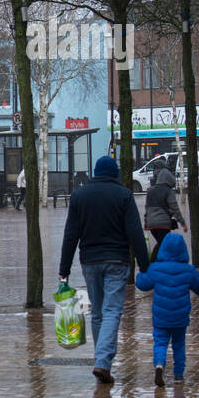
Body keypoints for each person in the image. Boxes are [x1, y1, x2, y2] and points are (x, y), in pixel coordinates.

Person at [58, 156, 152, 385]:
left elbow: (71, 233)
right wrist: (145, 265)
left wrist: (64, 268)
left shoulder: (79, 196)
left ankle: (102, 362)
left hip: (89, 261)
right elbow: (135, 232)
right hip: (117, 260)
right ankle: (102, 361)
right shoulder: (123, 195)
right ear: (115, 174)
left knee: (98, 313)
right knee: (111, 312)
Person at [135, 232, 199, 387]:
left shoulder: (155, 268)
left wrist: (141, 272)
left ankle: (159, 365)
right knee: (179, 344)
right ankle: (179, 374)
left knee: (160, 342)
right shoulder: (188, 270)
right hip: (180, 316)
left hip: (160, 316)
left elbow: (142, 284)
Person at [143, 165, 187, 259]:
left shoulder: (150, 190)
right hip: (163, 224)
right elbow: (174, 208)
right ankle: (153, 264)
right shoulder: (168, 191)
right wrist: (183, 223)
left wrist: (146, 223)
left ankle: (155, 264)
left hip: (151, 225)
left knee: (161, 243)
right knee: (163, 244)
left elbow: (147, 208)